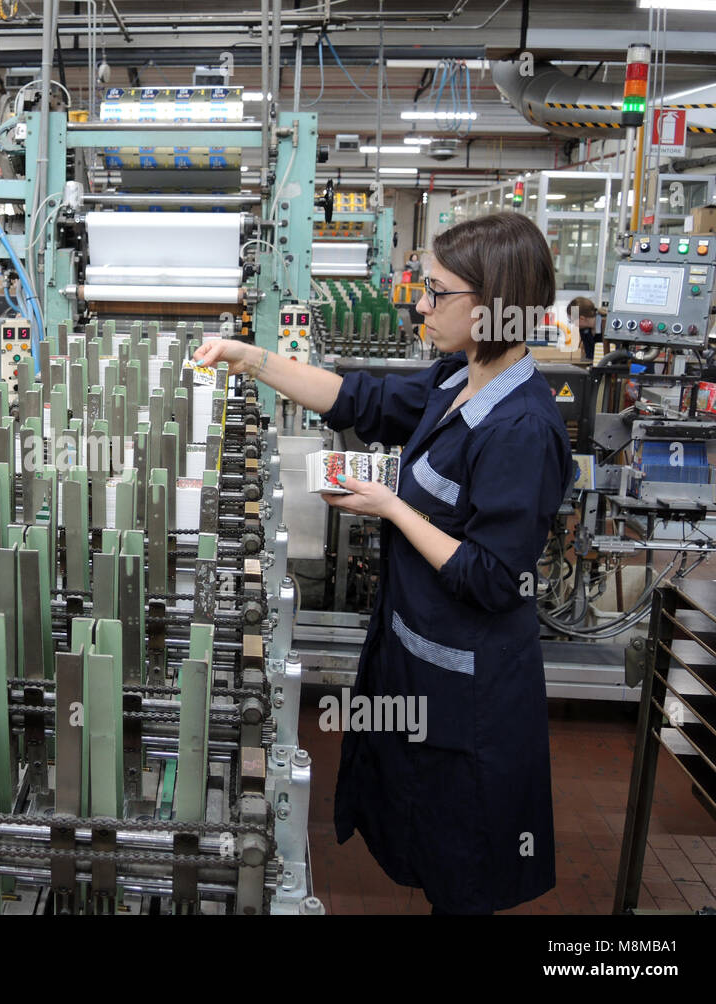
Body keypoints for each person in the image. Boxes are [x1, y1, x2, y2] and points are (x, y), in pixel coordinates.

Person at [195, 212, 571, 914]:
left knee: (464, 861)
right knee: (422, 832)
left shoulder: (523, 428)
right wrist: (249, 358)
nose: (422, 308)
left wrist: (393, 506)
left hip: (471, 689)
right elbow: (358, 397)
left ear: (492, 303)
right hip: (416, 655)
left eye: (437, 293)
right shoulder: (458, 377)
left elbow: (495, 577)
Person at [567, 296, 601, 363]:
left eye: (572, 321)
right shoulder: (583, 329)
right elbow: (589, 356)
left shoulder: (605, 325)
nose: (573, 324)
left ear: (582, 319)